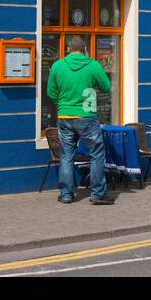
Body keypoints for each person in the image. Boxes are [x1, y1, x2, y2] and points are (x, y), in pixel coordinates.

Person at [45, 36, 114, 205]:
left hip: (65, 116)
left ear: (68, 49)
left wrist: (64, 103)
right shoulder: (93, 65)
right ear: (85, 50)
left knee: (67, 155)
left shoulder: (58, 65)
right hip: (87, 116)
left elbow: (51, 93)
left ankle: (67, 194)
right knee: (96, 154)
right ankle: (97, 194)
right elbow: (106, 87)